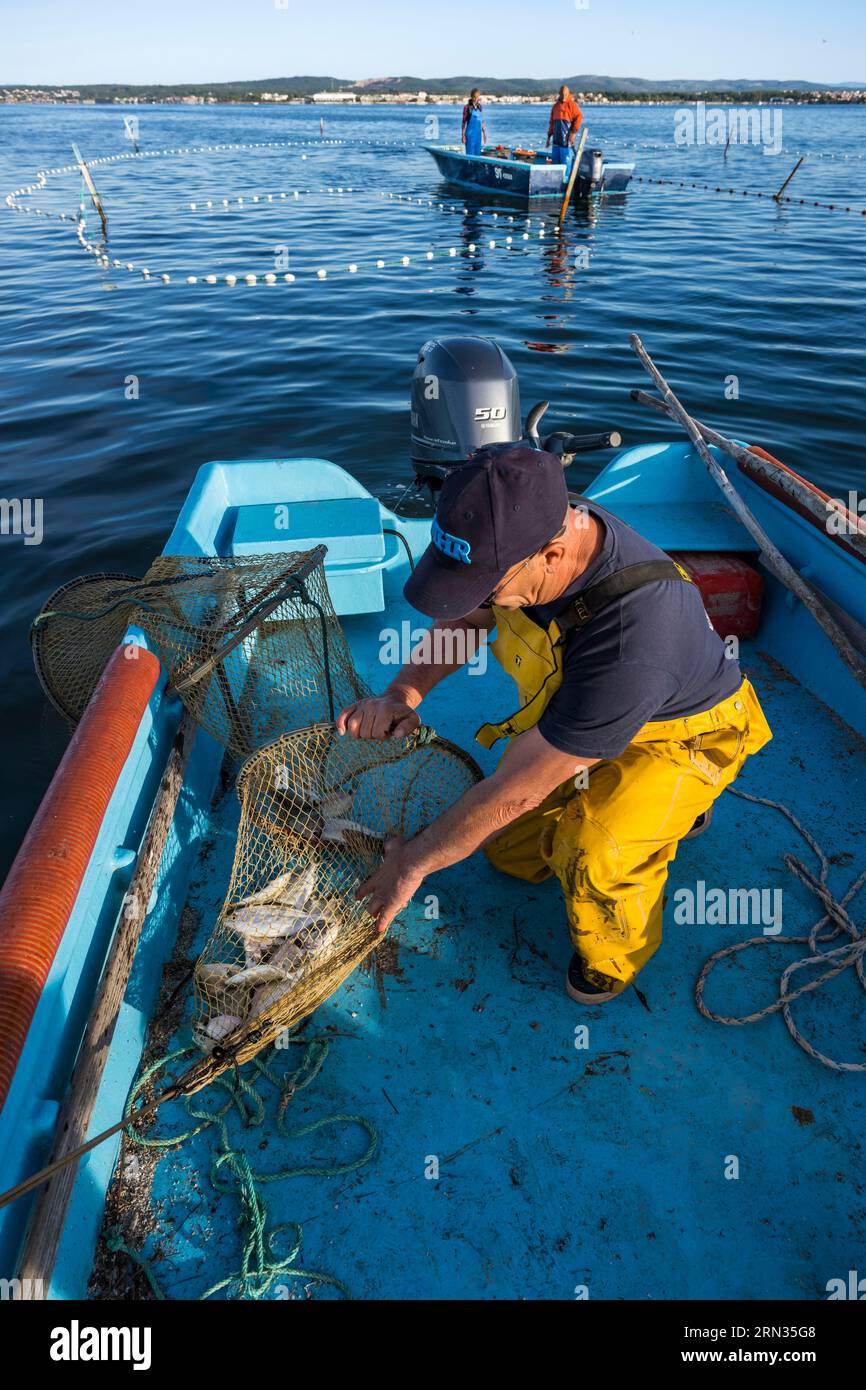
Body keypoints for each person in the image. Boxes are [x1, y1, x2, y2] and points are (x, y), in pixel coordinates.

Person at [337, 443, 772, 1005]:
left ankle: (617, 951)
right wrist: (403, 691)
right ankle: (647, 802)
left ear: (552, 553)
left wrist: (411, 866)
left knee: (589, 852)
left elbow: (515, 793)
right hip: (587, 709)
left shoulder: (634, 637)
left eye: (487, 586)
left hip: (680, 734)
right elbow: (468, 618)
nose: (478, 600)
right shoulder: (527, 531)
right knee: (508, 855)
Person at [546, 84, 582, 171]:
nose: (564, 96)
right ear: (559, 94)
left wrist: (573, 133)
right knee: (555, 165)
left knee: (566, 164)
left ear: (568, 94)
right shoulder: (555, 106)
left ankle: (566, 182)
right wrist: (548, 137)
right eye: (562, 94)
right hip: (556, 142)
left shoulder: (572, 105)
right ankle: (556, 182)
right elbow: (551, 123)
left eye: (565, 94)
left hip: (566, 143)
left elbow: (579, 117)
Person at [461, 88, 486, 157]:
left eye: (477, 97)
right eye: (474, 97)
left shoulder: (480, 107)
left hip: (478, 135)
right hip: (470, 135)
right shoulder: (467, 107)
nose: (475, 99)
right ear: (471, 97)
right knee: (470, 155)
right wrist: (463, 135)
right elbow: (463, 122)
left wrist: (484, 134)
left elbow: (482, 121)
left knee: (477, 155)